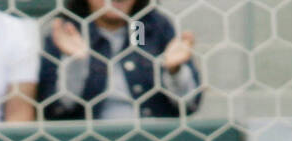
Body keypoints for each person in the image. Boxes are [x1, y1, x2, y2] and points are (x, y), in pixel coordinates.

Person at [38, 0, 201, 121]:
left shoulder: (147, 27)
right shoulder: (68, 32)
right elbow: (56, 109)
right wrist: (76, 62)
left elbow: (189, 105)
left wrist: (175, 71)